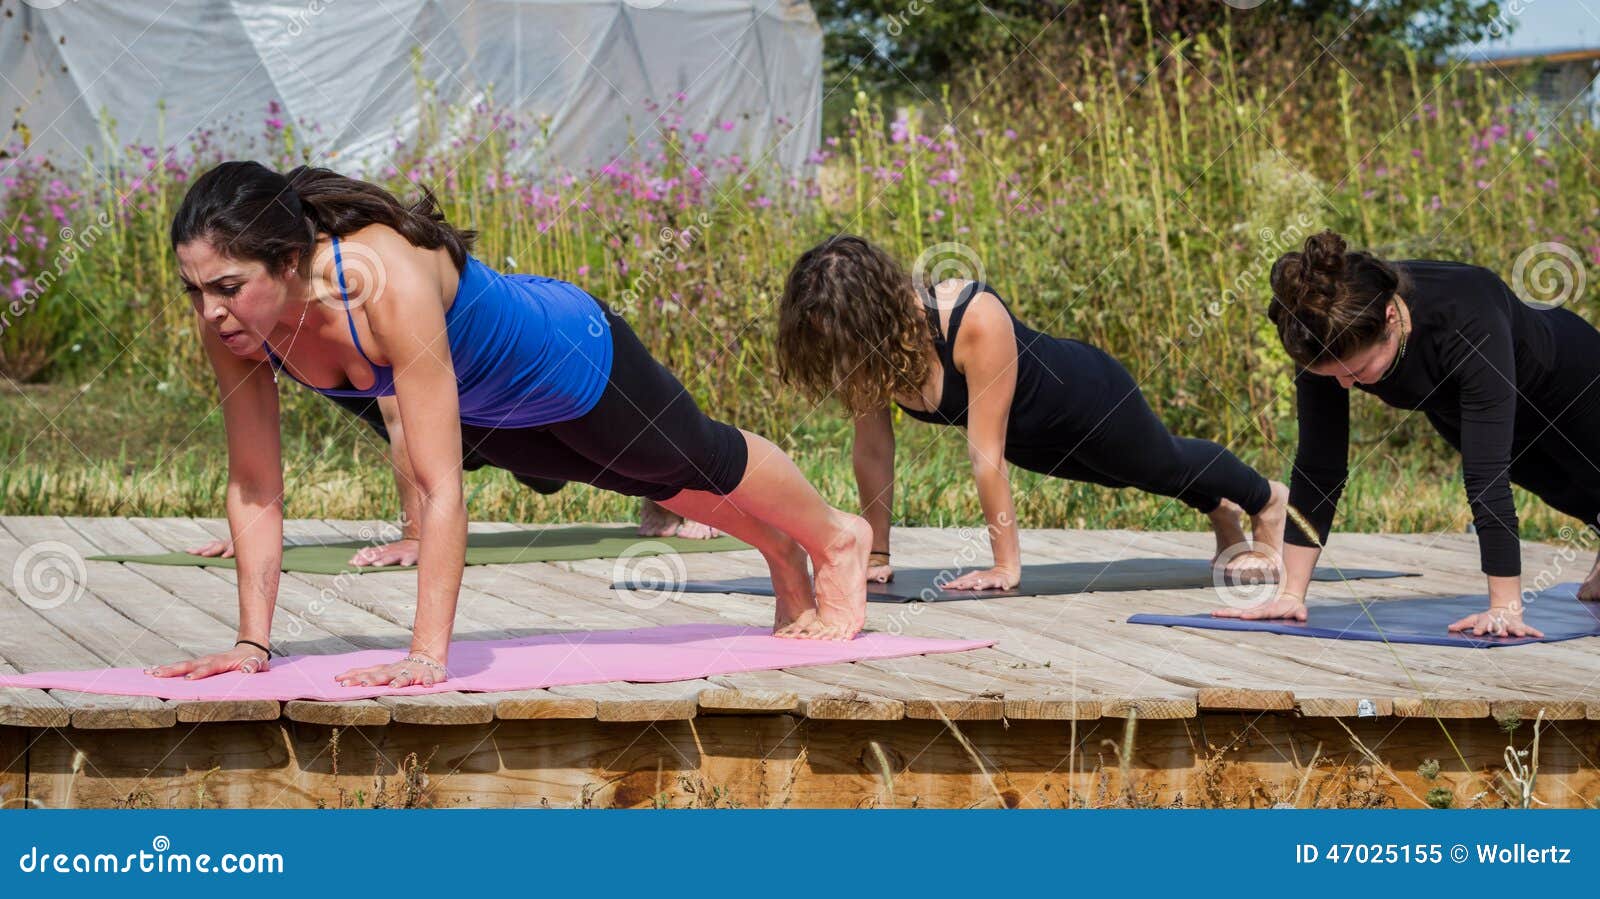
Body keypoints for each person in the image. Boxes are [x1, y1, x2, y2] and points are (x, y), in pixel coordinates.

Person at [148, 162, 870, 691]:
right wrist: (251, 643)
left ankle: (837, 537)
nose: (209, 309)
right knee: (639, 480)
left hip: (568, 357)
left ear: (290, 260)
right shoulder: (234, 322)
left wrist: (427, 655)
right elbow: (254, 484)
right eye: (195, 289)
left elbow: (439, 487)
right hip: (487, 411)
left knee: (688, 456)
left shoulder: (382, 277)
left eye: (227, 287)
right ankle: (781, 549)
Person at [776, 235, 1289, 591]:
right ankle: (1219, 510)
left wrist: (1005, 566)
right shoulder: (870, 354)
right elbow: (872, 450)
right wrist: (879, 555)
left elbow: (984, 454)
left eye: (839, 334)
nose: (835, 350)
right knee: (1127, 478)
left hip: (1087, 400)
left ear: (872, 311)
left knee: (1158, 462)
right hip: (1031, 439)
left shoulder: (970, 318)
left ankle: (1265, 500)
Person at [1216, 229, 1600, 638]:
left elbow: (1486, 478)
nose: (1345, 386)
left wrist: (1504, 608)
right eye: (1336, 376)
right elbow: (1319, 468)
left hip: (1573, 381)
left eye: (1358, 373)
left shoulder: (1465, 314)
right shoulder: (1323, 336)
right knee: (1556, 486)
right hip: (1454, 399)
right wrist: (1291, 596)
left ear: (1391, 319)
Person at [182, 392, 718, 569]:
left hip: (486, 406)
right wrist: (253, 527)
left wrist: (417, 536)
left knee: (574, 457)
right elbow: (256, 430)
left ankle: (686, 491)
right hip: (455, 425)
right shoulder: (255, 319)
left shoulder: (355, 306)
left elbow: (401, 417)